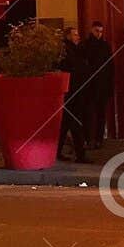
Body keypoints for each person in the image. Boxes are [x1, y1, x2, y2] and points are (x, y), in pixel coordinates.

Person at [77, 21, 114, 149]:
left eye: (100, 31)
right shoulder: (86, 45)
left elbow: (110, 68)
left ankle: (97, 139)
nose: (99, 34)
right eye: (97, 31)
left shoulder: (104, 46)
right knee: (89, 114)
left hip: (100, 86)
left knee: (99, 114)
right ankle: (90, 138)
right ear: (92, 30)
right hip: (91, 86)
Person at [56, 27, 88, 163]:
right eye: (75, 34)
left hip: (74, 91)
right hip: (72, 92)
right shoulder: (67, 51)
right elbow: (73, 69)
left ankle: (59, 152)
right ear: (68, 36)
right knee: (73, 123)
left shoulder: (75, 50)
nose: (78, 37)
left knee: (66, 124)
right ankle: (80, 155)